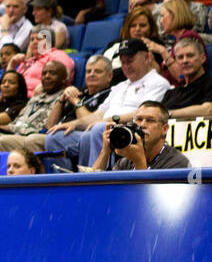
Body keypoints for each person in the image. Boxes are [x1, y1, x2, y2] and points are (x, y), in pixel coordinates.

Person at [74, 39, 175, 168]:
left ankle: (97, 181)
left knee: (99, 129)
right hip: (105, 126)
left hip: (130, 131)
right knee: (57, 138)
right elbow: (98, 114)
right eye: (123, 62)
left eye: (130, 61)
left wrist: (108, 121)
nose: (126, 66)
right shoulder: (120, 86)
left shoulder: (158, 83)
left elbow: (144, 114)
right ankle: (74, 182)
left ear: (147, 57)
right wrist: (73, 124)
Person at [0, 60, 69, 155]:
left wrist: (5, 127)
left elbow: (45, 128)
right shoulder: (34, 99)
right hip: (15, 132)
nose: (47, 76)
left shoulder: (64, 98)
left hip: (30, 136)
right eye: (44, 73)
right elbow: (19, 121)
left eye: (53, 73)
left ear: (64, 79)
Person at [43, 54, 115, 164]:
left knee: (52, 138)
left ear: (109, 76)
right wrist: (61, 99)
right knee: (50, 136)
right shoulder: (80, 92)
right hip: (63, 133)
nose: (92, 74)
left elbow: (89, 124)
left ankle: (65, 178)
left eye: (98, 71)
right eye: (88, 71)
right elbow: (50, 126)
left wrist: (76, 101)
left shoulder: (109, 95)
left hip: (84, 134)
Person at [88, 101, 190, 171]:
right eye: (139, 119)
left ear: (164, 129)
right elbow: (91, 187)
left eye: (150, 120)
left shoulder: (177, 163)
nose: (142, 125)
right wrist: (105, 152)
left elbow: (146, 199)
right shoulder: (126, 161)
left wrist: (138, 161)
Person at [160, 37, 212, 119]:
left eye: (190, 56)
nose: (185, 61)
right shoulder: (171, 93)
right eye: (180, 57)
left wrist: (168, 114)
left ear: (203, 58)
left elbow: (208, 110)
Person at [11, 26, 75, 96]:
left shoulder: (57, 55)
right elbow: (10, 80)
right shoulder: (27, 61)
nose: (34, 42)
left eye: (39, 39)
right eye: (32, 39)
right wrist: (12, 64)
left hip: (41, 99)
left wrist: (42, 88)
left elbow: (65, 76)